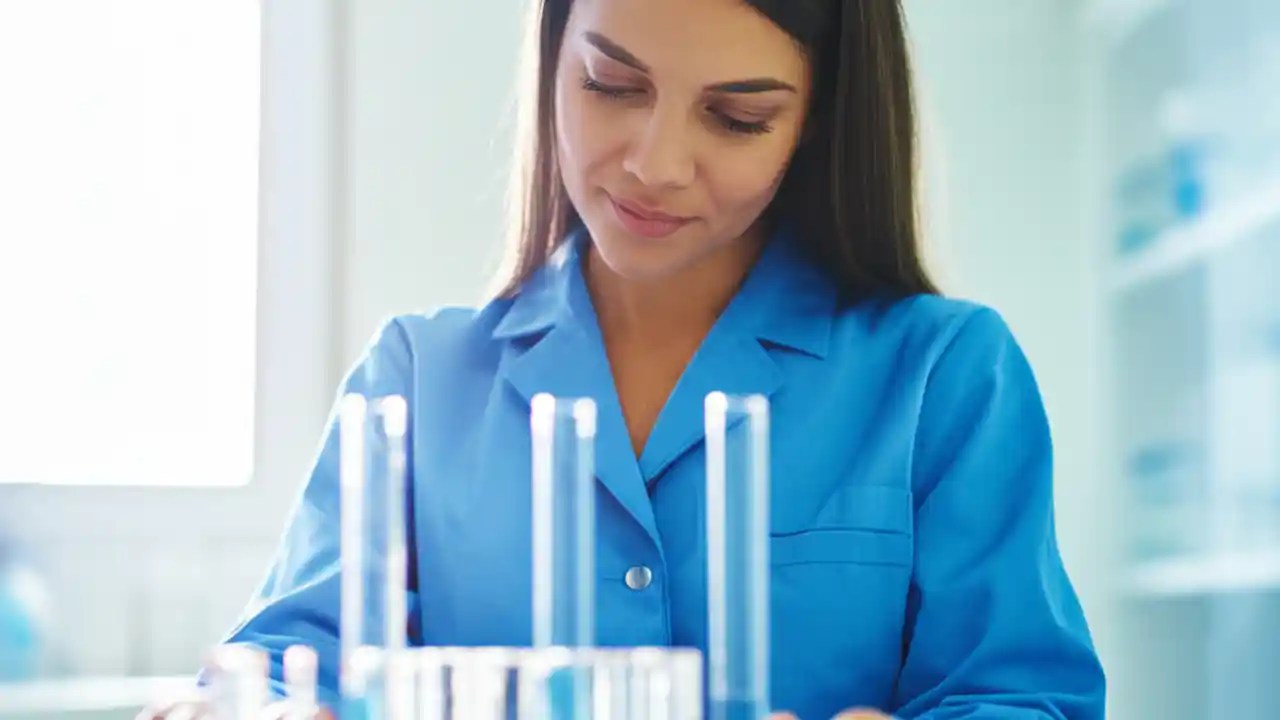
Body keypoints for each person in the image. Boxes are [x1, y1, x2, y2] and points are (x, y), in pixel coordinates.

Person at [143, 0, 1106, 717]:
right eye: (612, 86)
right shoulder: (418, 381)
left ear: (816, 123)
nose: (655, 163)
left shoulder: (942, 377)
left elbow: (1023, 695)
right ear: (553, 58)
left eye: (735, 118)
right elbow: (283, 665)